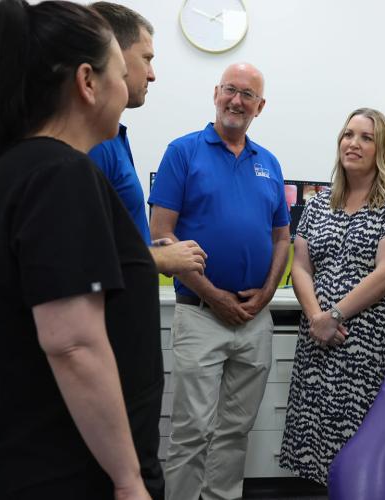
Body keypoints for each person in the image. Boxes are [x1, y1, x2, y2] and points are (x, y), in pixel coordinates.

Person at [0, 1, 206, 499]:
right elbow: (72, 345)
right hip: (73, 471)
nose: (134, 83)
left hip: (44, 461)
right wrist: (127, 480)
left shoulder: (25, 168)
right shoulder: (60, 175)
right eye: (122, 71)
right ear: (87, 82)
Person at [148, 62, 291, 500]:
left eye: (248, 94)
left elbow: (282, 236)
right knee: (191, 431)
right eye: (231, 90)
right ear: (216, 93)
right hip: (200, 314)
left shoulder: (268, 162)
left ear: (260, 106)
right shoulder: (183, 152)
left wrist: (265, 294)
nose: (237, 100)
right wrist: (214, 296)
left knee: (235, 431)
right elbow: (160, 234)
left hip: (253, 321)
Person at [278, 108, 385, 485]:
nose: (353, 143)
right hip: (320, 344)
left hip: (372, 348)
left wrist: (336, 316)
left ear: (382, 148)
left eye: (365, 137)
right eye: (348, 135)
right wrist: (317, 318)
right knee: (324, 452)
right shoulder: (318, 204)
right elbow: (301, 267)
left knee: (374, 453)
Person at [88, 2, 155, 244]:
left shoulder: (113, 136)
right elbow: (85, 252)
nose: (152, 74)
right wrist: (156, 259)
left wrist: (150, 248)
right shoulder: (91, 141)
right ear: (114, 55)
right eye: (146, 59)